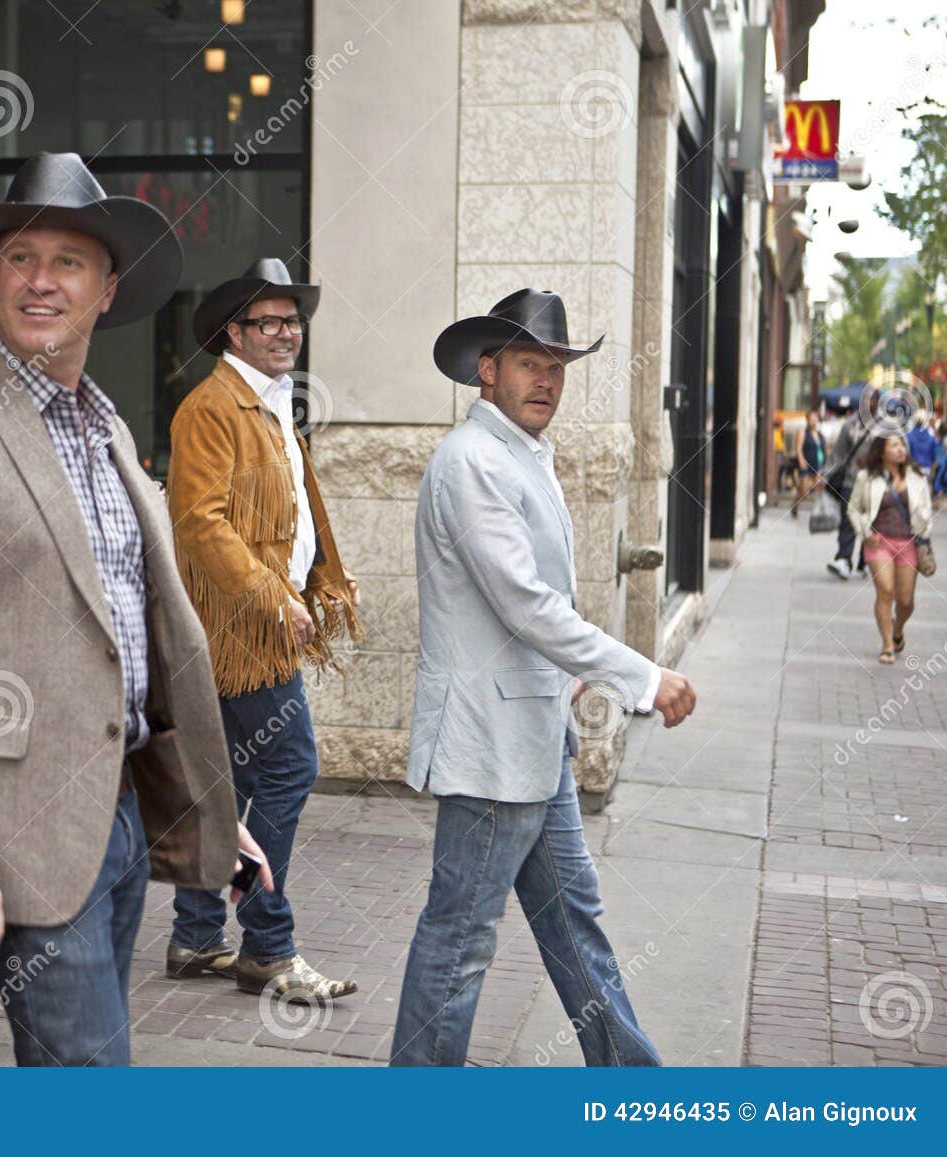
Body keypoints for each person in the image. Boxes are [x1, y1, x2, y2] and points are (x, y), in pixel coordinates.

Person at [0, 152, 271, 1067]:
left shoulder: (109, 428)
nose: (40, 280)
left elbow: (140, 638)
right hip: (20, 830)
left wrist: (211, 805)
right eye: (19, 257)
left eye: (68, 261)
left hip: (121, 816)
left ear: (107, 287)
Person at [390, 289, 697, 1067]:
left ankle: (634, 1084)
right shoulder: (471, 463)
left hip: (535, 739)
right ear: (486, 370)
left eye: (558, 365)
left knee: (575, 926)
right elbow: (526, 605)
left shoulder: (518, 454)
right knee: (458, 944)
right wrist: (640, 676)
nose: (548, 379)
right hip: (491, 751)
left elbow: (536, 605)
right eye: (532, 362)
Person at [162, 258, 362, 1003]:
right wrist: (273, 597)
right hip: (239, 633)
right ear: (232, 332)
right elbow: (200, 519)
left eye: (292, 319)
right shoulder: (210, 407)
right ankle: (268, 945)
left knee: (230, 779)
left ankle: (195, 933)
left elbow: (291, 513)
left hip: (260, 624)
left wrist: (317, 582)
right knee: (290, 768)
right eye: (268, 321)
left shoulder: (271, 402)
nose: (286, 332)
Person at [847, 434, 932, 664]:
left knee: (905, 601)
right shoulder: (867, 477)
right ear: (881, 451)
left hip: (908, 544)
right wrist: (865, 532)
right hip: (879, 543)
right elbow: (853, 508)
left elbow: (926, 508)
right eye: (894, 445)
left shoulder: (917, 477)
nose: (900, 449)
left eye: (902, 444)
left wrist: (925, 532)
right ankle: (887, 645)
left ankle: (898, 629)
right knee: (886, 590)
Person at [826, 395, 882, 580]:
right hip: (850, 481)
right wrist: (826, 473)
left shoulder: (886, 426)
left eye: (872, 401)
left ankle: (864, 562)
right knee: (848, 521)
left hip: (876, 484)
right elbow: (838, 454)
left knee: (872, 523)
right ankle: (844, 559)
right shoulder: (850, 425)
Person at [789, 408, 826, 519]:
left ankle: (820, 512)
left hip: (819, 465)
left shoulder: (820, 435)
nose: (813, 420)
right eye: (811, 418)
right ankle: (795, 506)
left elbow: (824, 450)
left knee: (820, 490)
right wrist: (801, 460)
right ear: (807, 420)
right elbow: (798, 448)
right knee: (804, 489)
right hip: (807, 464)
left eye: (815, 418)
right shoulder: (803, 433)